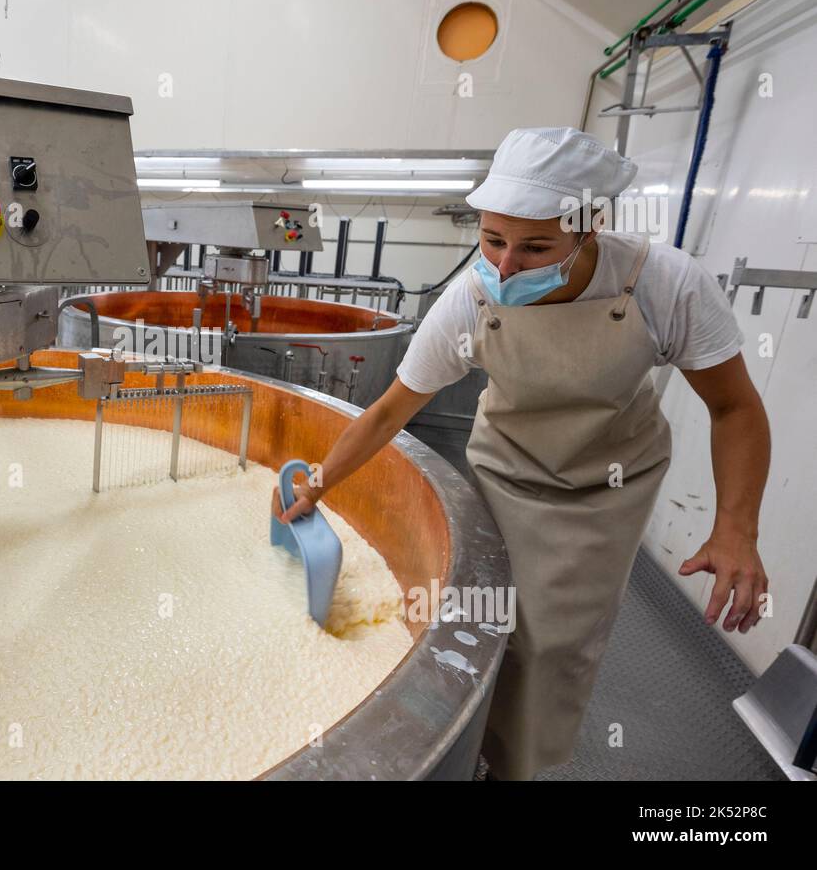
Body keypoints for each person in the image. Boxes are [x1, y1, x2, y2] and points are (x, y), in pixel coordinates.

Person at [273, 126, 770, 780]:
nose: (506, 266)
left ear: (589, 229)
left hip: (606, 488)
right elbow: (393, 407)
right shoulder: (472, 297)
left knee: (552, 648)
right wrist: (321, 482)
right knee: (478, 618)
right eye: (493, 240)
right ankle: (463, 740)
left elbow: (734, 407)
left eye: (536, 247)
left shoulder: (662, 283)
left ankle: (511, 765)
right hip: (503, 470)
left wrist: (736, 527)